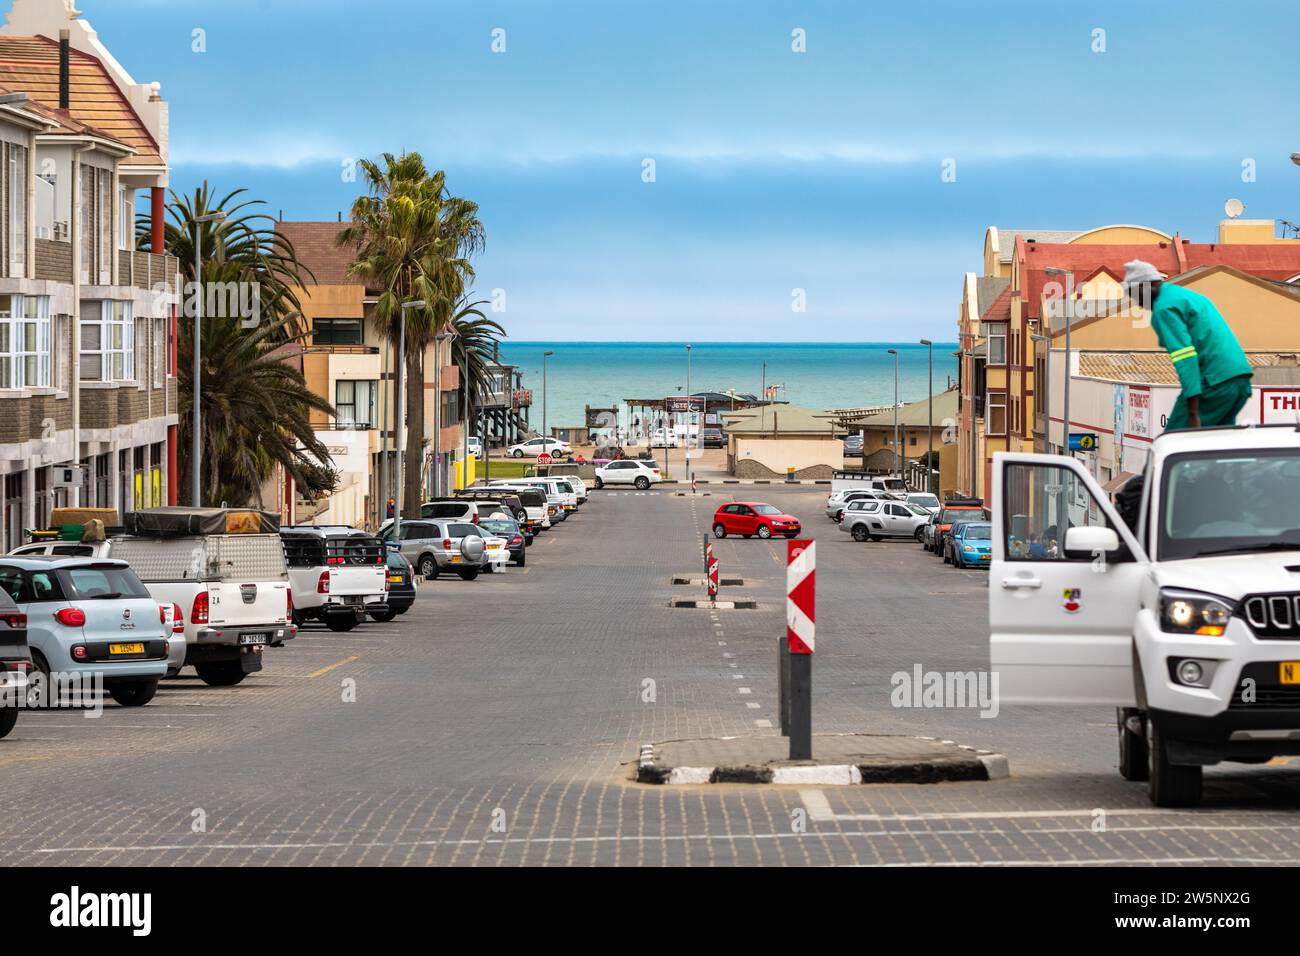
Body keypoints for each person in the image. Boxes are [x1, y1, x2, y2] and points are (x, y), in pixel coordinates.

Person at [1122, 260, 1253, 431]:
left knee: (1174, 439)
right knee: (1217, 446)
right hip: (1240, 380)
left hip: (1215, 383)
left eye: (1136, 294)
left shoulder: (1163, 308)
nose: (1137, 302)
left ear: (1150, 285)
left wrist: (1192, 412)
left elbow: (1185, 357)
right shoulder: (1184, 295)